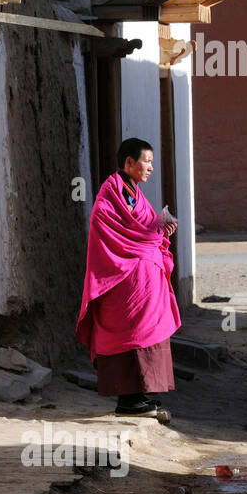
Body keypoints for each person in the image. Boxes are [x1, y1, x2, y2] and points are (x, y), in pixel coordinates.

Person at [75, 138, 181, 420]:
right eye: (146, 161)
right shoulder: (113, 194)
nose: (150, 168)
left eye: (152, 162)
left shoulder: (132, 193)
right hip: (123, 279)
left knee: (146, 332)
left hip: (140, 280)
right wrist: (152, 236)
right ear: (129, 163)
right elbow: (112, 231)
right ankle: (130, 400)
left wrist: (160, 231)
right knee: (132, 334)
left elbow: (142, 230)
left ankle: (143, 394)